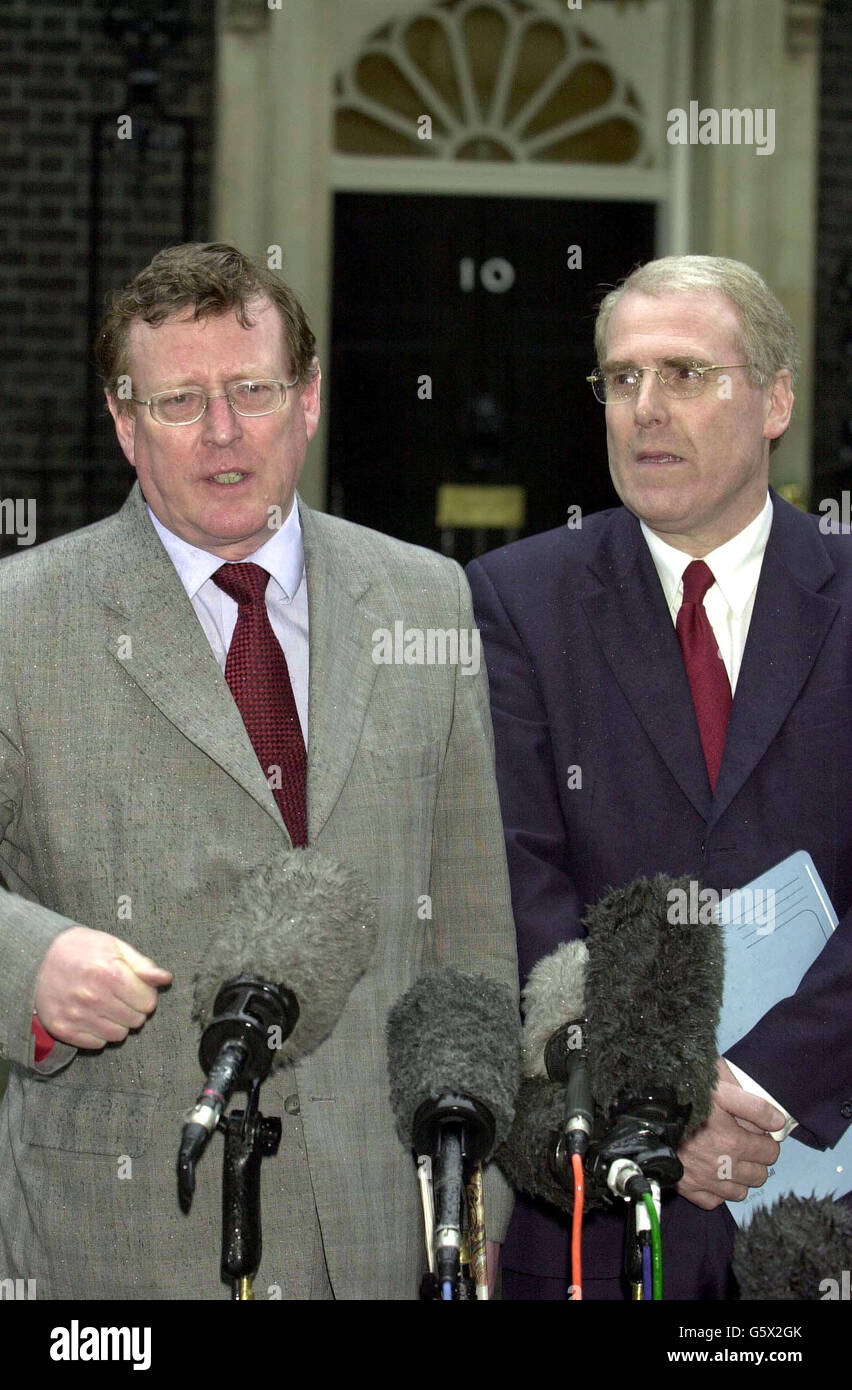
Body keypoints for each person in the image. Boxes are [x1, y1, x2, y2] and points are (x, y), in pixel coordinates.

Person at [0, 241, 518, 1300]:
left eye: (251, 389)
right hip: (129, 1243)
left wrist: (474, 1204)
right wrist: (28, 966)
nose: (224, 431)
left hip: (383, 1229)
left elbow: (467, 936)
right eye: (181, 400)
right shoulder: (21, 622)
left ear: (309, 398)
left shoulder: (426, 601)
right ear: (123, 421)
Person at [467, 255, 852, 1299]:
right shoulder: (516, 601)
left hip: (828, 1181)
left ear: (775, 398)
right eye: (621, 378)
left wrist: (773, 1080)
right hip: (603, 1205)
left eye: (686, 373)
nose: (646, 409)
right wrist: (665, 1101)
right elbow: (520, 887)